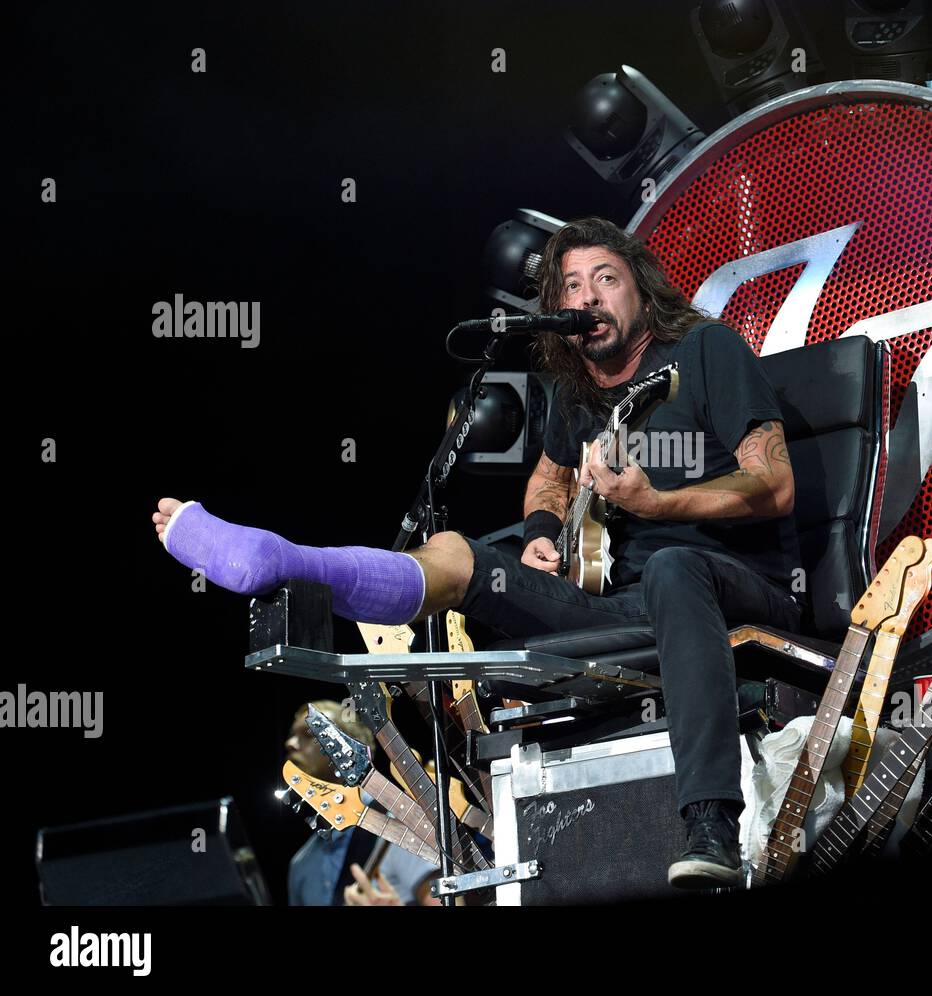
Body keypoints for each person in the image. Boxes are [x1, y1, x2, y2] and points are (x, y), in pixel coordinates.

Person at [152, 216, 803, 888]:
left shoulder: (706, 350)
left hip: (744, 590)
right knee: (462, 553)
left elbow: (774, 483)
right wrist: (542, 535)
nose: (589, 298)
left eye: (605, 279)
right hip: (636, 609)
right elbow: (548, 478)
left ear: (641, 288)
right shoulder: (577, 392)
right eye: (572, 285)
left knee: (673, 565)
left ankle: (712, 826)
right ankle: (292, 564)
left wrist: (657, 503)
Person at [284, 700, 379, 905]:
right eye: (292, 736)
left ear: (347, 746)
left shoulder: (404, 827)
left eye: (308, 735)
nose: (290, 743)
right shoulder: (300, 867)